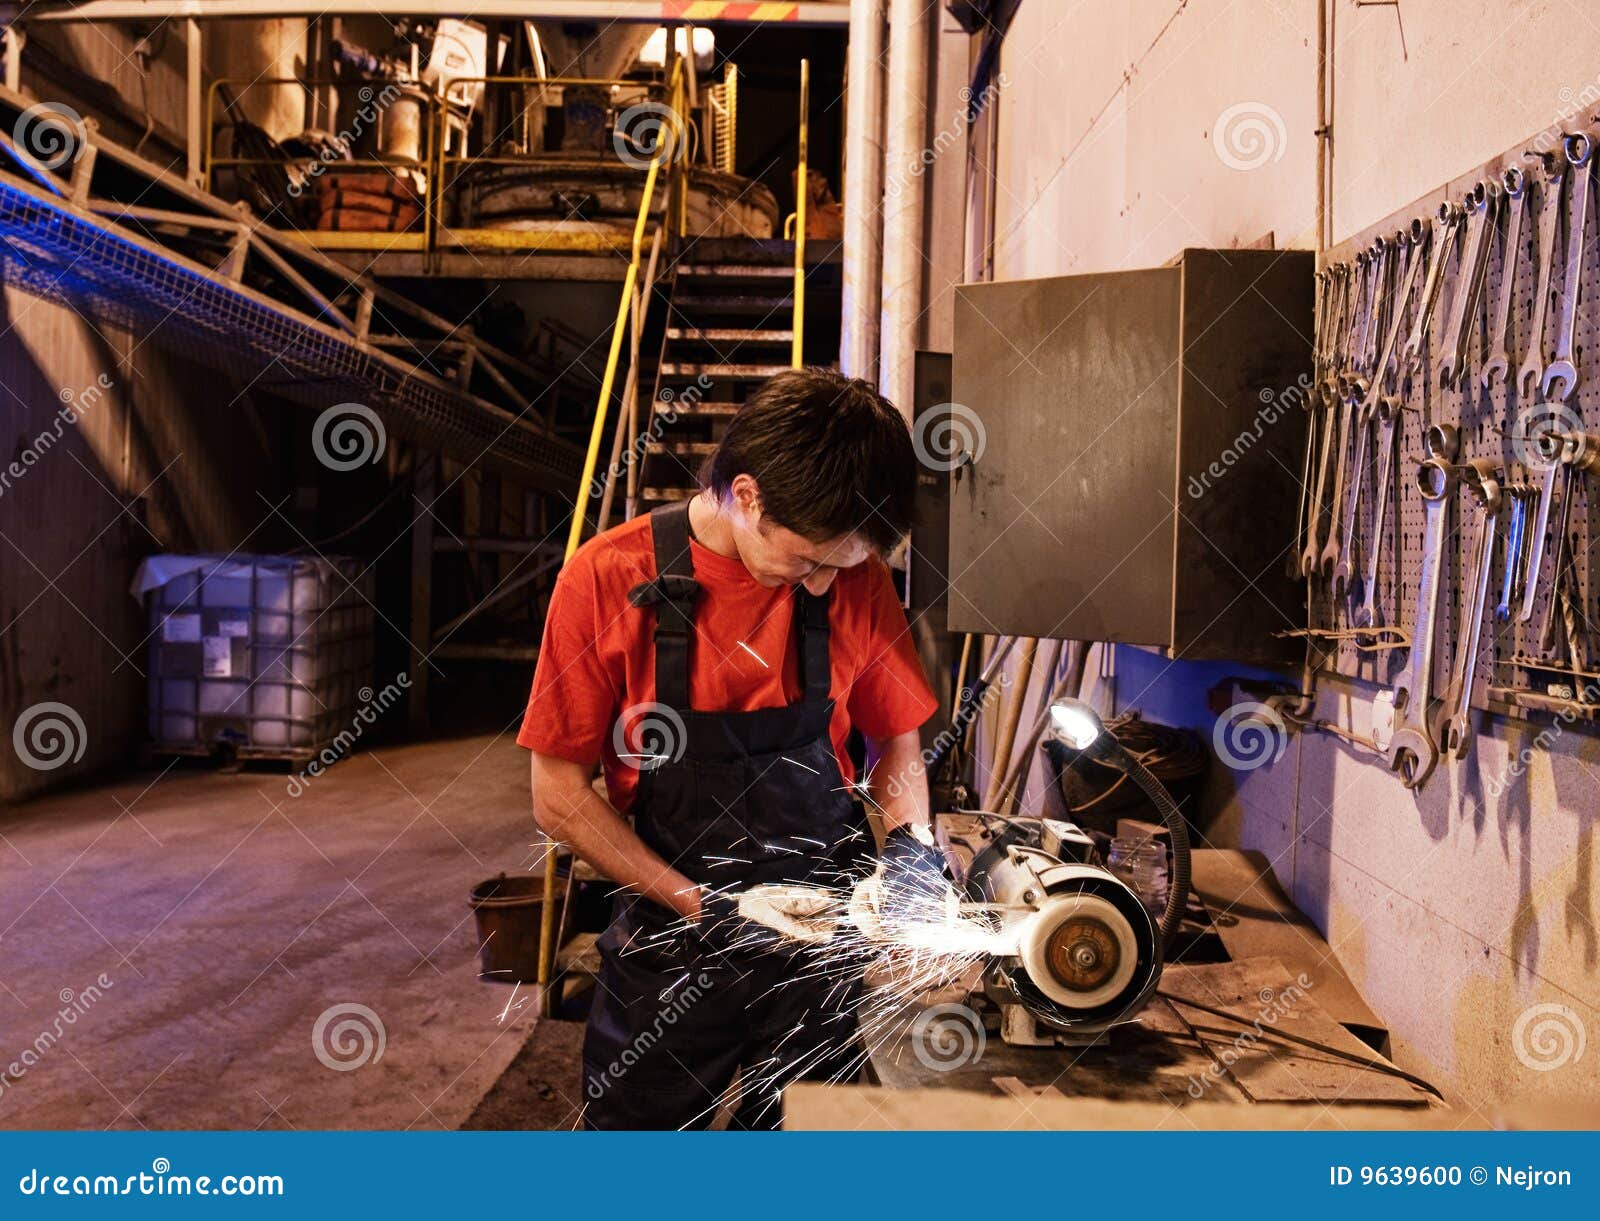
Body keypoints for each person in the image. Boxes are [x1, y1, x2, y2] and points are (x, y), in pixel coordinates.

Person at [519, 367, 950, 1130]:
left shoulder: (852, 574)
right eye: (810, 561)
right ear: (746, 497)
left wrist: (913, 844)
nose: (824, 585)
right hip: (672, 939)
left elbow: (897, 736)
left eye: (842, 566)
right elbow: (556, 793)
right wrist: (704, 904)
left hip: (821, 945)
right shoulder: (607, 576)